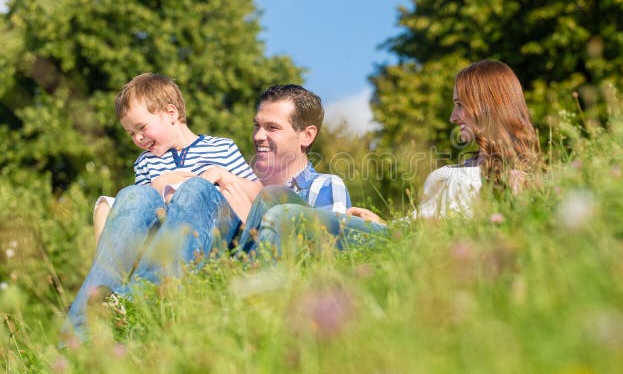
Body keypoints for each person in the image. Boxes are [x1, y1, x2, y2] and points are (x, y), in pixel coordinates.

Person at [64, 84, 349, 339]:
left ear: (307, 135)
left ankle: (136, 299)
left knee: (196, 190)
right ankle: (78, 329)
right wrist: (122, 200)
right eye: (257, 126)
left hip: (224, 247)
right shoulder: (146, 163)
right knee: (130, 195)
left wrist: (220, 178)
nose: (259, 136)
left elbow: (332, 245)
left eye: (272, 128)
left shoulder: (319, 185)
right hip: (172, 239)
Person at [244, 59, 540, 260]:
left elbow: (464, 234)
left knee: (285, 215)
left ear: (487, 105)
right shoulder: (467, 167)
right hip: (394, 234)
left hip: (403, 243)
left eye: (460, 106)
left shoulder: (518, 177)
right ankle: (234, 276)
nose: (452, 117)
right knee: (273, 196)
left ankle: (250, 299)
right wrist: (384, 222)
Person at [92, 73, 258, 243]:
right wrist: (157, 186)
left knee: (184, 194)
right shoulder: (145, 162)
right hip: (166, 233)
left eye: (141, 127)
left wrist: (223, 175)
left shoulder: (222, 148)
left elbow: (259, 194)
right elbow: (140, 210)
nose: (138, 138)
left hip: (217, 227)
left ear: (171, 113)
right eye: (131, 134)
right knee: (104, 207)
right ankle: (107, 266)